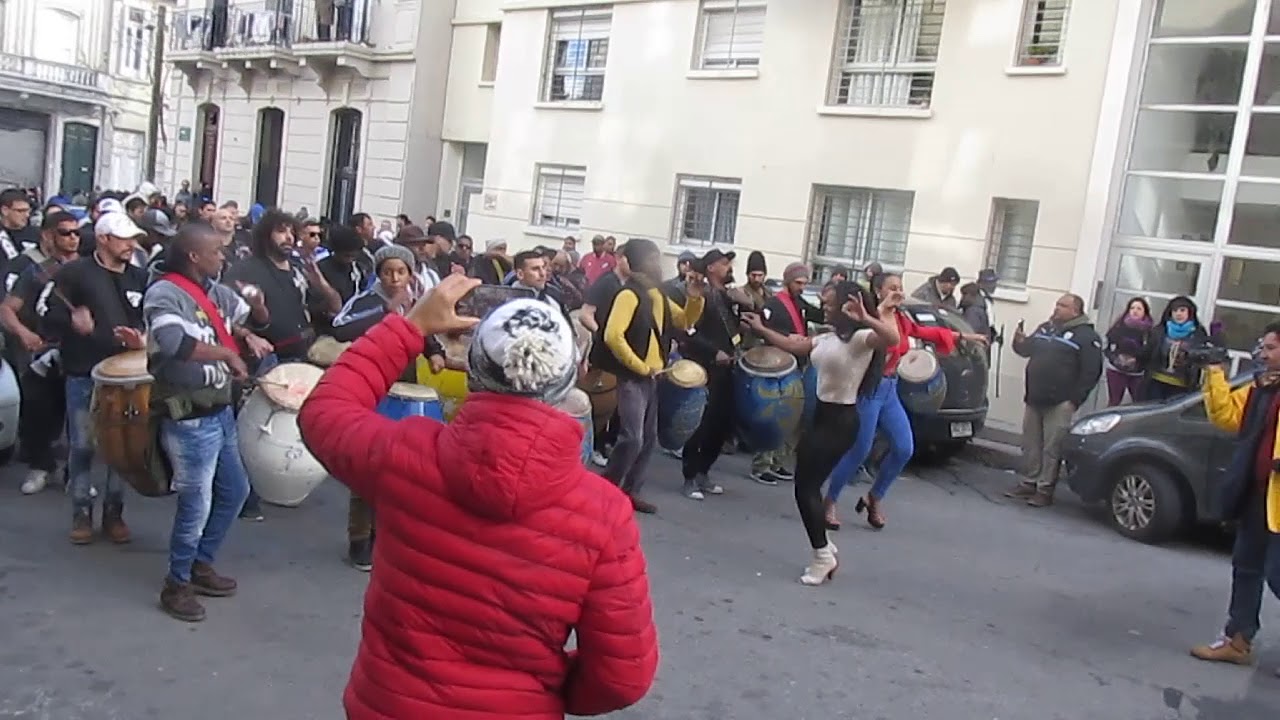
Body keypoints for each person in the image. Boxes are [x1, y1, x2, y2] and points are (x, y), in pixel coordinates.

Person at [298, 274, 660, 718]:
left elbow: (324, 413)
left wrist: (409, 327)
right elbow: (623, 678)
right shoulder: (605, 515)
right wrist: (537, 691)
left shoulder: (407, 455)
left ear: (472, 370)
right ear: (573, 378)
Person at [144, 223, 272, 622]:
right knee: (195, 502)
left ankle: (201, 563)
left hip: (219, 412)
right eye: (217, 251)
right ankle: (176, 583)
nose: (224, 257)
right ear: (194, 256)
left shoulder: (216, 293)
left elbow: (255, 318)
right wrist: (226, 354)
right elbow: (173, 344)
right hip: (189, 416)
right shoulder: (164, 293)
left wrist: (254, 321)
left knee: (234, 490)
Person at [741, 281, 901, 585]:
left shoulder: (860, 339)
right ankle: (823, 547)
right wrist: (762, 328)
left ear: (848, 307)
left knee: (806, 489)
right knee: (806, 486)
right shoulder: (828, 338)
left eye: (829, 303)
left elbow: (891, 338)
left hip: (841, 420)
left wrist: (868, 317)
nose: (824, 306)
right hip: (822, 417)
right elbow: (793, 345)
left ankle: (822, 556)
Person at [824, 272, 985, 529]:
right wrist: (879, 311)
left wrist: (966, 337)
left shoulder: (901, 318)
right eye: (892, 288)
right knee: (860, 451)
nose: (898, 292)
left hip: (890, 390)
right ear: (878, 291)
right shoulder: (868, 319)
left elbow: (927, 332)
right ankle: (829, 502)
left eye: (901, 287)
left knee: (903, 448)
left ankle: (874, 497)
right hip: (869, 389)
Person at [44, 212, 150, 544]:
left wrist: (142, 339)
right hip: (84, 371)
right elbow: (51, 313)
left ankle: (114, 512)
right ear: (103, 239)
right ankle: (81, 511)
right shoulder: (75, 273)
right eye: (124, 238)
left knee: (123, 446)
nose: (131, 245)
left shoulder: (139, 276)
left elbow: (148, 316)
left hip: (127, 374)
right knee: (82, 445)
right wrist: (73, 319)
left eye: (134, 238)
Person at [1189, 324, 1280, 676]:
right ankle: (1238, 641)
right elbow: (1226, 416)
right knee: (1247, 568)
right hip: (1257, 496)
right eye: (1264, 346)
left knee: (1277, 575)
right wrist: (1214, 372)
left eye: (1271, 348)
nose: (1264, 353)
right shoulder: (1261, 388)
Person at [598, 239, 705, 513]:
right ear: (637, 264)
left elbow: (685, 321)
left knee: (648, 438)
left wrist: (694, 297)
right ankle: (606, 489)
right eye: (652, 259)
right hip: (634, 377)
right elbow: (613, 335)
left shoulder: (658, 294)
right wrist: (641, 367)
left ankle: (631, 491)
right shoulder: (628, 295)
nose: (658, 264)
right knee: (632, 436)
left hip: (653, 376)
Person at [1, 211, 80, 494]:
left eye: (76, 233)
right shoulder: (35, 270)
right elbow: (8, 308)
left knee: (79, 419)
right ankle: (40, 467)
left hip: (79, 355)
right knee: (38, 414)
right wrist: (24, 334)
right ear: (48, 235)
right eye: (65, 233)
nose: (72, 239)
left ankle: (76, 474)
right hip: (42, 353)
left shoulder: (88, 269)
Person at [1004, 294, 1103, 507]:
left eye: (1063, 305)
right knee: (1031, 444)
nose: (1057, 308)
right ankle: (1028, 482)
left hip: (1060, 401)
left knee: (1052, 447)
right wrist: (1018, 341)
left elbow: (1091, 371)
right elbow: (1026, 350)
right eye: (1057, 304)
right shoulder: (1045, 328)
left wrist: (1074, 400)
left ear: (1075, 311)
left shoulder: (1086, 336)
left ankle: (1044, 489)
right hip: (1035, 397)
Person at [225, 210, 341, 364]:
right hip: (269, 360)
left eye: (292, 232)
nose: (289, 237)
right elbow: (223, 314)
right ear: (265, 236)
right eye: (281, 231)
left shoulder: (300, 268)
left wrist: (321, 283)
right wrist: (248, 336)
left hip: (306, 355)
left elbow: (337, 307)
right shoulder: (244, 270)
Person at [680, 249, 740, 499]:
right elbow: (689, 329)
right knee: (701, 424)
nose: (729, 268)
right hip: (705, 366)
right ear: (712, 267)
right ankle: (690, 476)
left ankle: (705, 471)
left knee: (720, 424)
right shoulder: (700, 293)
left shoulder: (727, 296)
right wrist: (713, 351)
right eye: (724, 264)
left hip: (728, 367)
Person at [1142, 295, 1212, 402]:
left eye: (1182, 310)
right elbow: (1147, 353)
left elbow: (1202, 358)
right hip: (1156, 381)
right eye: (1175, 311)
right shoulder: (1159, 331)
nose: (1178, 314)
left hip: (1182, 385)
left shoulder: (1198, 333)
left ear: (1190, 313)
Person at [1103, 298, 1152, 406]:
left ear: (1145, 312)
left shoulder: (1149, 331)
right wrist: (1115, 358)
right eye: (1132, 308)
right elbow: (1107, 346)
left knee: (1138, 403)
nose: (1135, 311)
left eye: (1139, 308)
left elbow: (1151, 352)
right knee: (1114, 402)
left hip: (1138, 372)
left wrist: (1138, 359)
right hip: (1116, 369)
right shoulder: (1119, 326)